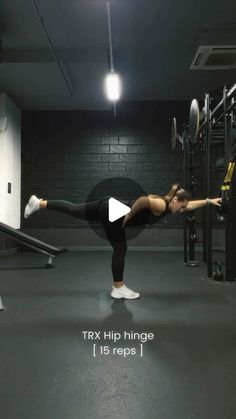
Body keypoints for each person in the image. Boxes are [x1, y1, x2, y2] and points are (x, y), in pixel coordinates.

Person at [24, 184, 221, 300]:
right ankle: (118, 288)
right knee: (120, 248)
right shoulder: (161, 204)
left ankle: (39, 203)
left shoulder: (168, 203)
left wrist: (208, 201)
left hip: (109, 204)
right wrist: (129, 216)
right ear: (176, 200)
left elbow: (190, 205)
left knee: (75, 209)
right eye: (182, 206)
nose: (182, 210)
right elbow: (143, 200)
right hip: (115, 212)